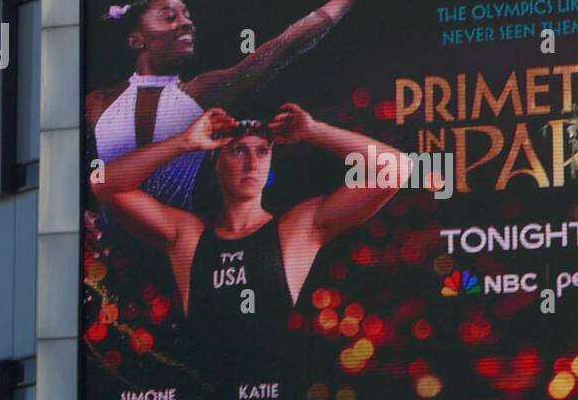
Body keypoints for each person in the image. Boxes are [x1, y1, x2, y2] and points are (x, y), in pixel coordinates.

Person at [88, 0, 374, 208]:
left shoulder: (203, 93)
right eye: (169, 17)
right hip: (110, 259)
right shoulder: (97, 104)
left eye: (187, 15)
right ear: (137, 40)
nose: (186, 22)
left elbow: (281, 48)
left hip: (180, 254)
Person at [91, 104, 406, 324]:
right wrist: (184, 142)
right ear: (216, 163)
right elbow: (102, 183)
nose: (252, 163)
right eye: (238, 150)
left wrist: (314, 131)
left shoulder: (295, 230)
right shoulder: (186, 236)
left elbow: (397, 171)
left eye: (262, 151)